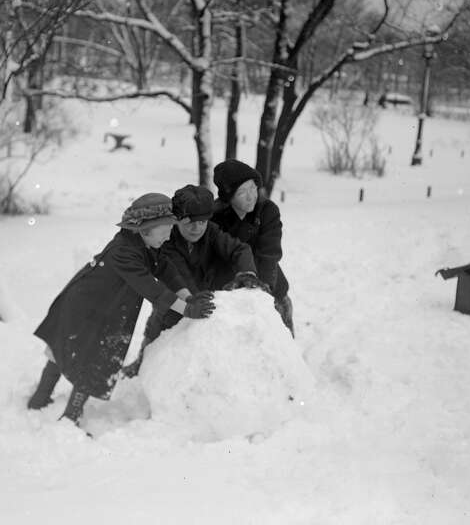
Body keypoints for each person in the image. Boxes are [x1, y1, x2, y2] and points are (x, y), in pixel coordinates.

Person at [26, 192, 216, 425]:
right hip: (85, 307)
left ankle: (43, 402)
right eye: (165, 230)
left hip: (104, 307)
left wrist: (189, 297)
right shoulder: (124, 252)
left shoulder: (145, 244)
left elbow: (166, 270)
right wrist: (186, 310)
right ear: (146, 229)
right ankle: (66, 416)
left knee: (79, 353)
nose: (169, 236)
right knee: (85, 356)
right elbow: (152, 289)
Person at [146, 184, 264, 345]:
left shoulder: (211, 232)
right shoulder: (166, 240)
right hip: (174, 308)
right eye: (189, 223)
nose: (196, 229)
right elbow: (179, 274)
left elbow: (239, 249)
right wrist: (194, 299)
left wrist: (247, 273)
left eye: (202, 222)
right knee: (155, 350)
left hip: (206, 304)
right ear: (176, 220)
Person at [211, 159, 294, 336]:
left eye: (253, 188)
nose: (251, 196)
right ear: (228, 197)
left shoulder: (267, 211)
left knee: (281, 345)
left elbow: (269, 254)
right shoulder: (216, 218)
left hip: (271, 289)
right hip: (231, 296)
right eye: (242, 192)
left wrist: (264, 294)